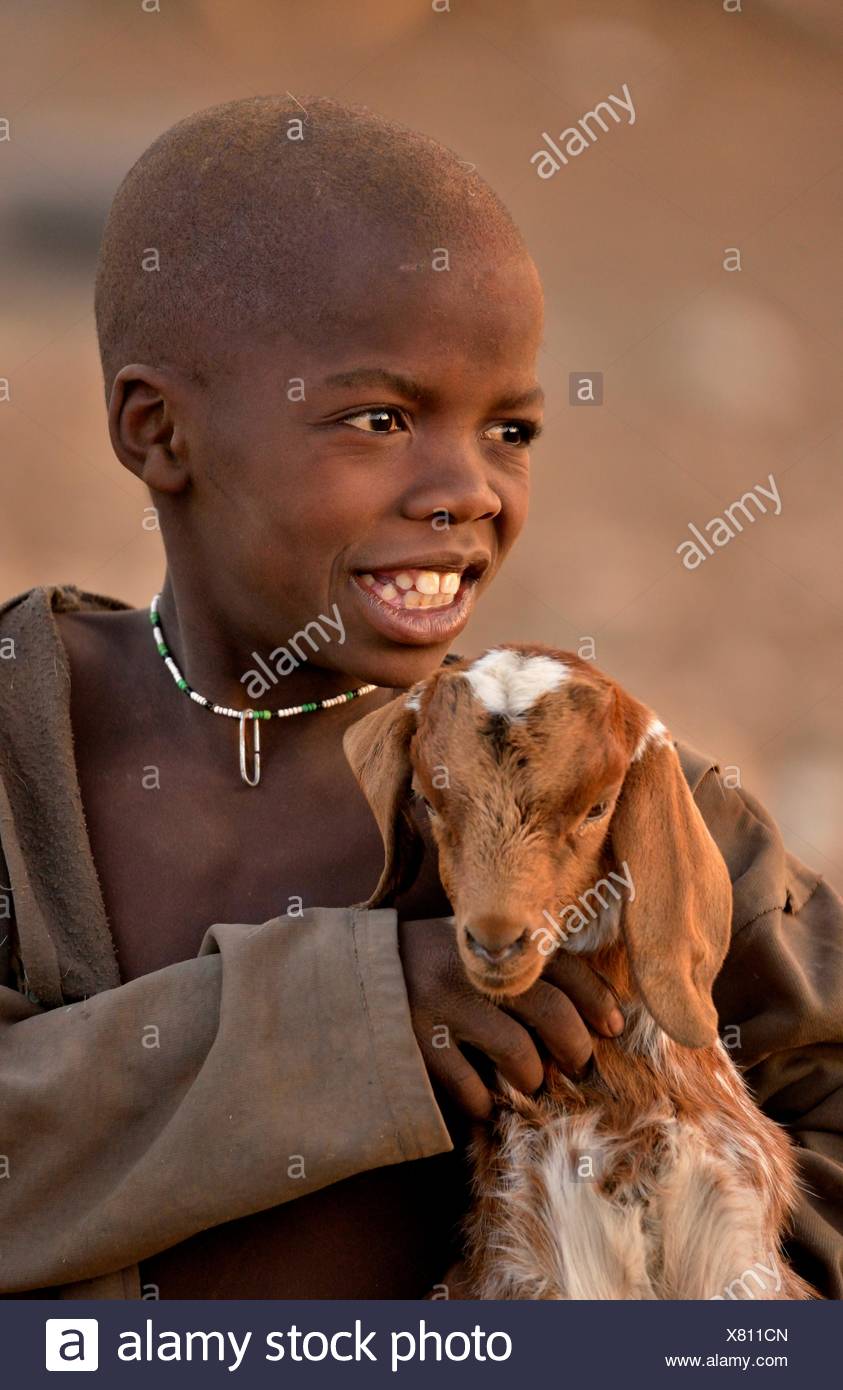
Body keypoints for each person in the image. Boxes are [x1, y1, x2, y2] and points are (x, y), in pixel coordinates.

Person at [0, 96, 840, 1301]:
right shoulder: (22, 751)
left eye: (510, 429)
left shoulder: (583, 785)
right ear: (159, 429)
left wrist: (692, 1289)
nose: (466, 488)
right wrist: (352, 1023)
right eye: (380, 419)